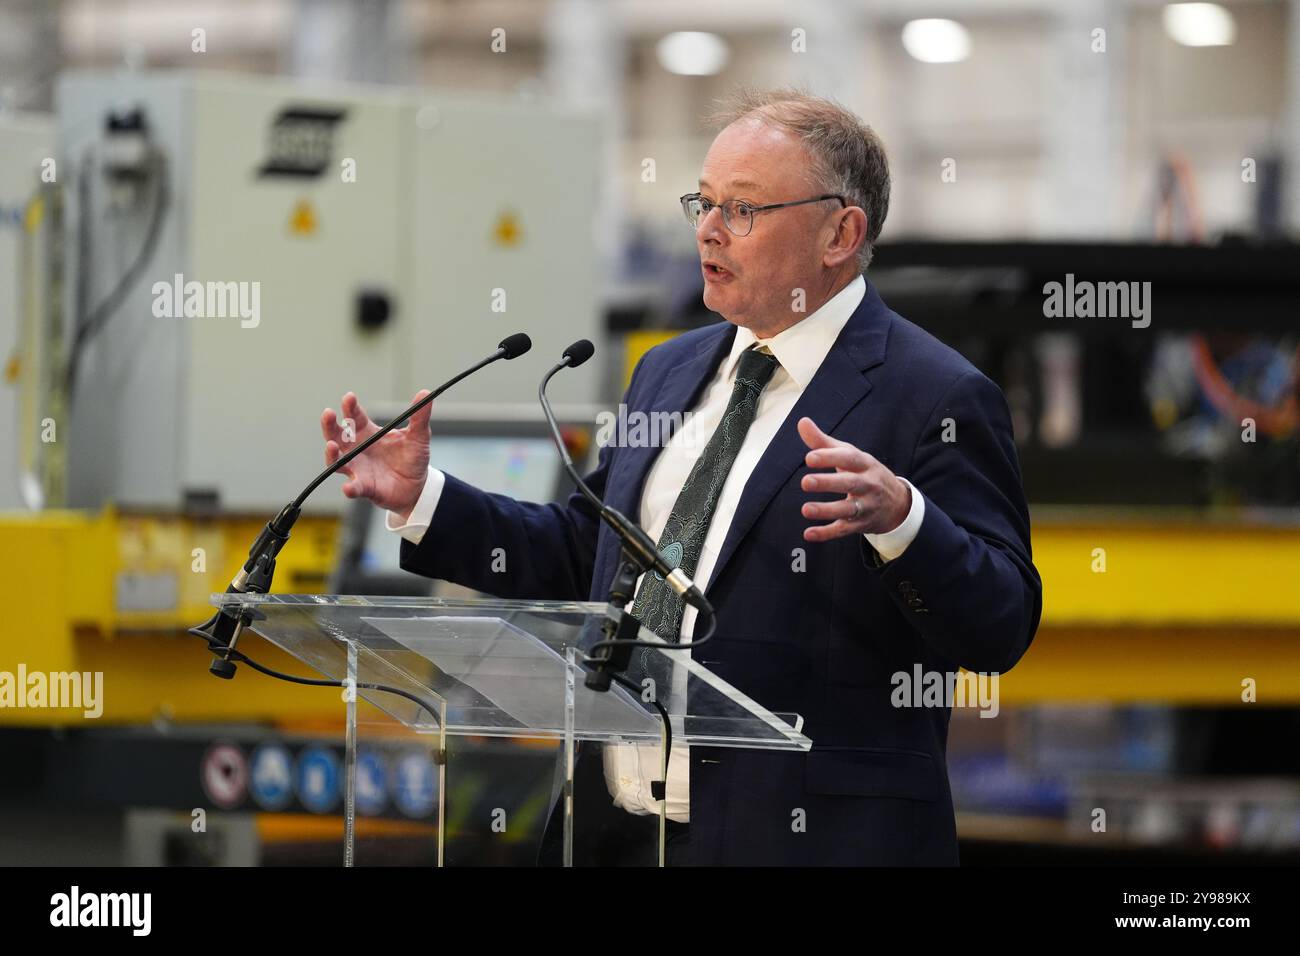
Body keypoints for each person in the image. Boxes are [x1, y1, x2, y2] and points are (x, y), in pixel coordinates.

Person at [320, 88, 1042, 865]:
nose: (706, 229)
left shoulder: (932, 392)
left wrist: (905, 520)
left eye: (742, 209)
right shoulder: (668, 372)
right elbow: (587, 552)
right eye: (703, 202)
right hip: (620, 831)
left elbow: (1000, 623)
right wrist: (424, 500)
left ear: (841, 231)